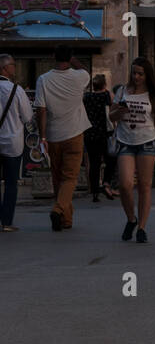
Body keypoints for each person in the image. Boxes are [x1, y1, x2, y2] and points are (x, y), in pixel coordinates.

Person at [110, 57, 155, 244]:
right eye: (134, 73)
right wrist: (118, 112)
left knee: (144, 186)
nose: (136, 77)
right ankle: (131, 219)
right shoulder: (122, 92)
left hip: (147, 142)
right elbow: (111, 115)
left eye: (140, 74)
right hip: (125, 141)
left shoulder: (153, 95)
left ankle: (142, 227)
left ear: (147, 75)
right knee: (125, 184)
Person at [34, 44, 91, 232]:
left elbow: (41, 110)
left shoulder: (43, 79)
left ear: (52, 56)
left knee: (58, 178)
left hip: (53, 135)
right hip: (74, 134)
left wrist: (42, 136)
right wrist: (73, 59)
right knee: (70, 178)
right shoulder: (79, 77)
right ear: (71, 57)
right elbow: (84, 70)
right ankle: (58, 210)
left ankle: (66, 220)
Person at [0, 53, 34, 233]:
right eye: (13, 64)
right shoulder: (16, 90)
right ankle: (6, 222)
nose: (15, 67)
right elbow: (28, 116)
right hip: (12, 142)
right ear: (4, 68)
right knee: (11, 183)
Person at [83, 73, 117, 203]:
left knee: (94, 163)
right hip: (105, 134)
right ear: (104, 85)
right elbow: (114, 109)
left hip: (90, 134)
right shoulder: (107, 95)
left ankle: (95, 192)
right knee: (111, 159)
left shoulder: (87, 97)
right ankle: (106, 183)